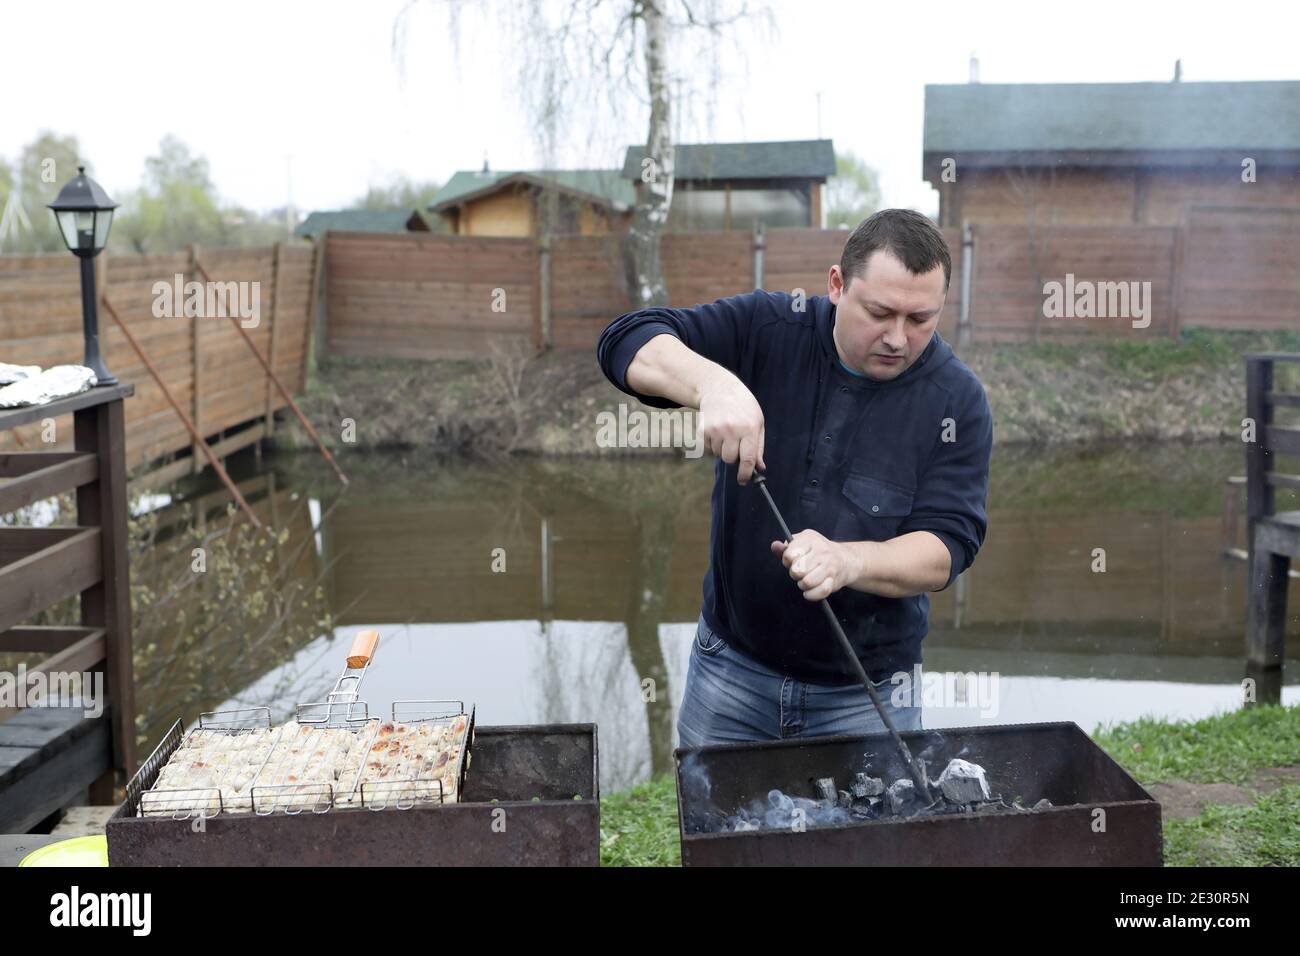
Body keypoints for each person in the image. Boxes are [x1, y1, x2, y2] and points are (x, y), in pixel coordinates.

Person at [596, 209, 992, 746]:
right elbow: (626, 339)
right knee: (714, 827)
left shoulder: (957, 402)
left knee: (875, 832)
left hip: (869, 693)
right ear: (837, 285)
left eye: (921, 319)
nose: (898, 337)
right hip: (730, 672)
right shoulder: (768, 327)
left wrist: (848, 560)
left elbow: (947, 547)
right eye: (880, 312)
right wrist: (711, 384)